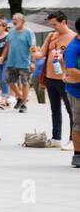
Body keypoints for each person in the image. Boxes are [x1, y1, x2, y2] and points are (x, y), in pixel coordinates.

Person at [40, 11, 75, 146]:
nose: (53, 27)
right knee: (54, 109)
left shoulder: (73, 37)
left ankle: (73, 138)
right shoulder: (52, 36)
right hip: (50, 77)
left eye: (55, 24)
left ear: (64, 22)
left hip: (64, 78)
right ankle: (56, 138)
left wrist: (63, 60)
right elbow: (41, 54)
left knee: (70, 109)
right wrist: (32, 52)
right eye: (51, 24)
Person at [63, 16, 80, 167]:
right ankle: (77, 155)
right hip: (77, 92)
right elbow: (71, 71)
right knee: (78, 123)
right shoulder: (73, 48)